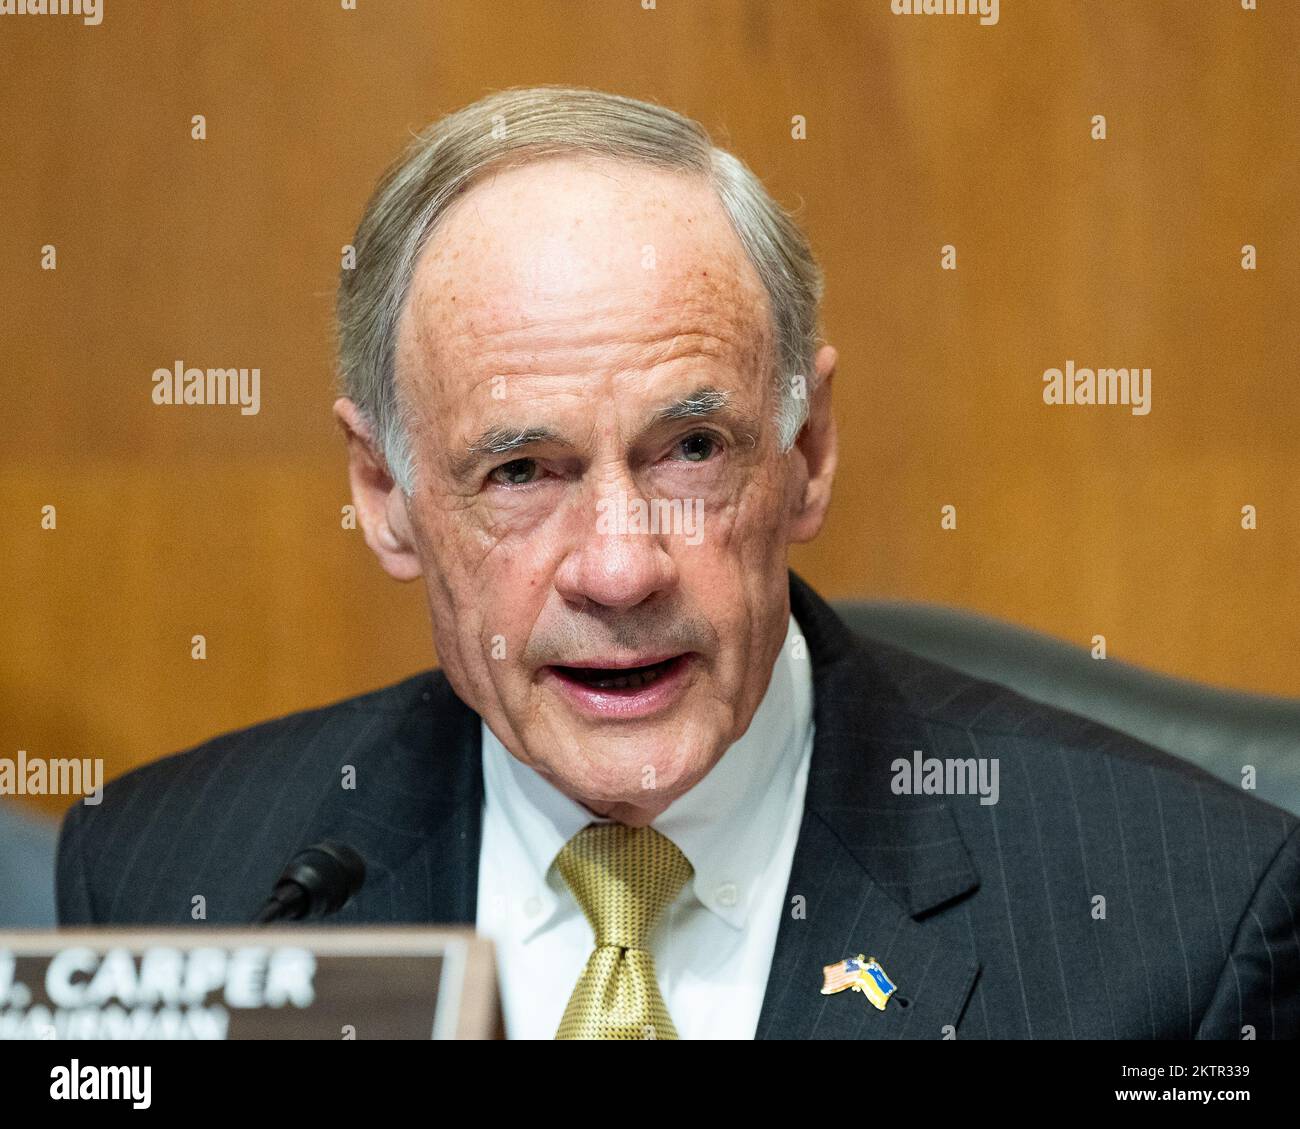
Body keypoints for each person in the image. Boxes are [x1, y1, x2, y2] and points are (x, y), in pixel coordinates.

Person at [57, 86, 1299, 1040]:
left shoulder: (1178, 925)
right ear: (384, 493)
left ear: (804, 451)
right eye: (520, 471)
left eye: (689, 449)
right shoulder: (178, 884)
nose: (617, 568)